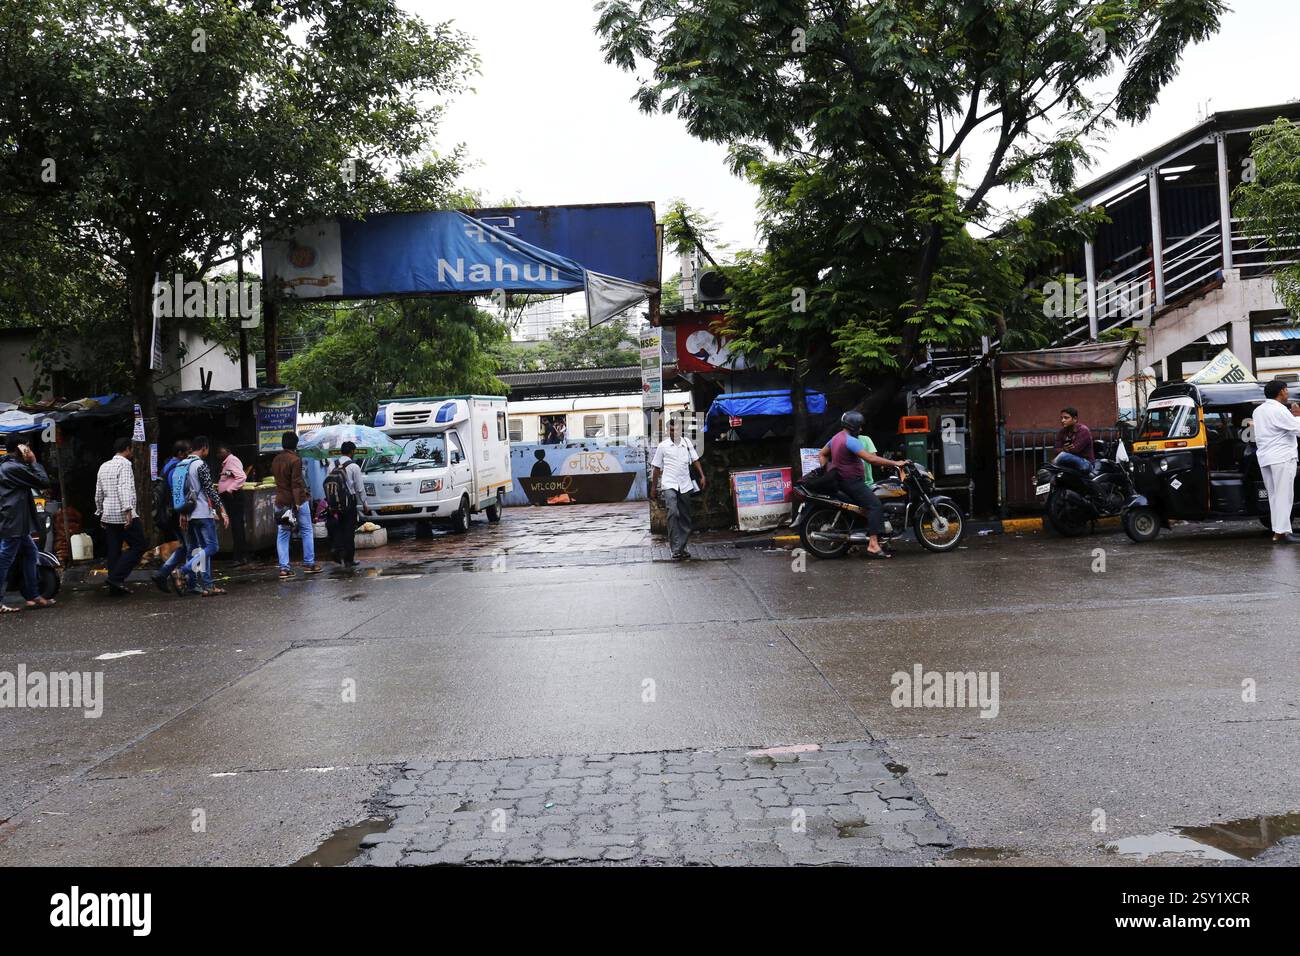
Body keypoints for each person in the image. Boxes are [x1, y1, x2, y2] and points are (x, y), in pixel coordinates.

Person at [818, 411, 905, 560]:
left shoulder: (836, 438)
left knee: (866, 506)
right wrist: (895, 463)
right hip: (852, 482)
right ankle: (873, 545)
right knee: (875, 505)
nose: (861, 430)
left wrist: (829, 472)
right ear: (854, 427)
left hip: (842, 482)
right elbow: (871, 459)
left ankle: (869, 536)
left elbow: (822, 454)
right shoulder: (851, 441)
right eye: (859, 427)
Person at [0, 436, 52, 613]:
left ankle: (33, 596)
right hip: (13, 521)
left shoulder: (8, 465)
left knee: (30, 553)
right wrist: (34, 461)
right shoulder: (13, 467)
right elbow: (43, 481)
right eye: (27, 447)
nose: (29, 449)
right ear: (20, 448)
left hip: (17, 521)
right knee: (4, 559)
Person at [93, 436, 145, 597]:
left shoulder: (104, 466)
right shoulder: (125, 465)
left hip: (108, 514)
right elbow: (124, 488)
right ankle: (116, 578)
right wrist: (128, 510)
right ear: (128, 449)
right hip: (123, 513)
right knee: (139, 545)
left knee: (114, 550)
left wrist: (99, 511)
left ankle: (115, 587)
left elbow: (98, 492)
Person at [649, 418, 707, 561]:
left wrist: (702, 475)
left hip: (685, 484)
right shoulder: (663, 446)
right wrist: (653, 487)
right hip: (669, 484)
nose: (674, 431)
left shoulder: (687, 443)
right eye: (671, 429)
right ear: (668, 431)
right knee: (673, 512)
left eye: (676, 429)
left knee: (686, 517)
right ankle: (675, 549)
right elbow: (656, 467)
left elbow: (695, 460)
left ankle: (681, 548)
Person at [179, 435, 229, 595]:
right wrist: (222, 509)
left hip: (189, 514)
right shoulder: (200, 465)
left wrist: (182, 514)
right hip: (202, 512)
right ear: (204, 448)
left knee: (199, 550)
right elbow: (209, 489)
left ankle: (206, 585)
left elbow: (180, 492)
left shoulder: (182, 464)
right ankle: (183, 570)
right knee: (212, 547)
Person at [1253, 380, 1300, 543]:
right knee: (1284, 496)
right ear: (1281, 392)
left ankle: (1277, 531)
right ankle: (1283, 532)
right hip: (1282, 457)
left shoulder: (1258, 411)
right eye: (1286, 390)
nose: (1288, 393)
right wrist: (1298, 416)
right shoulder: (1279, 410)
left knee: (1274, 496)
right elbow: (1298, 429)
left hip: (1266, 457)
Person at [272, 431, 320, 578]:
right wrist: (298, 502)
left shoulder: (276, 460)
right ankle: (309, 563)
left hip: (280, 501)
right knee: (306, 530)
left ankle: (284, 568)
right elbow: (296, 483)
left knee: (283, 534)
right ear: (295, 444)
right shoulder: (295, 460)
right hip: (296, 501)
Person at [152, 439, 193, 594]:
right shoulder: (177, 467)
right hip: (177, 513)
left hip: (170, 513)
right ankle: (186, 579)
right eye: (188, 452)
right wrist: (183, 512)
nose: (190, 455)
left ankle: (162, 574)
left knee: (183, 546)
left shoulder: (167, 465)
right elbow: (178, 492)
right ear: (180, 454)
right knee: (190, 546)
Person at [325, 440, 369, 569]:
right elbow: (359, 488)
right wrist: (364, 503)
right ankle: (349, 559)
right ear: (352, 452)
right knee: (349, 530)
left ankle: (337, 550)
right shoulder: (354, 467)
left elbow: (328, 483)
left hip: (333, 503)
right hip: (349, 502)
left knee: (338, 527)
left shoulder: (332, 464)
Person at [215, 440, 249, 566]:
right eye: (217, 453)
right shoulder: (226, 463)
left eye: (220, 452)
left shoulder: (232, 460)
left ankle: (238, 558)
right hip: (231, 497)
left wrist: (229, 489)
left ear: (227, 451)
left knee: (237, 527)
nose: (218, 454)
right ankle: (242, 556)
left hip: (234, 497)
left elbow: (241, 477)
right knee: (237, 527)